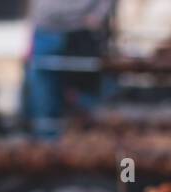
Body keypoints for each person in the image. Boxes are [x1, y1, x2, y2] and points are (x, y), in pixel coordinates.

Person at [21, 0, 114, 139]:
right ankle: (48, 150)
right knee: (44, 110)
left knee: (85, 106)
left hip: (82, 30)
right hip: (44, 30)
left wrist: (98, 14)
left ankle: (87, 149)